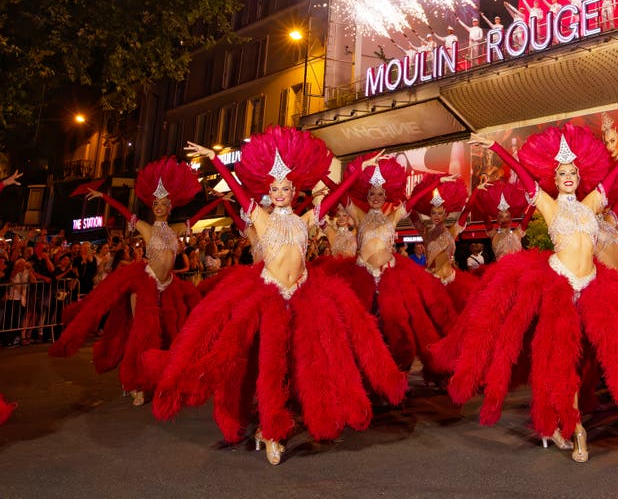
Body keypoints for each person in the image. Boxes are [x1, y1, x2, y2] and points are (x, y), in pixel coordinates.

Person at [430, 125, 618, 463]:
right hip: (559, 286)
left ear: (580, 176)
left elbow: (610, 179)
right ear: (554, 176)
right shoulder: (549, 205)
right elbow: (521, 173)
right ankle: (570, 428)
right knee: (561, 361)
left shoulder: (591, 204)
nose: (567, 177)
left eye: (572, 172)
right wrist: (495, 147)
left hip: (594, 284)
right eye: (561, 172)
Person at [148, 128, 406, 465]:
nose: (281, 193)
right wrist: (215, 160)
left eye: (286, 188)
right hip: (269, 297)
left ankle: (306, 412)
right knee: (270, 365)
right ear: (269, 191)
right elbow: (239, 191)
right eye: (275, 189)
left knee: (309, 359)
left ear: (294, 190)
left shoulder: (306, 222)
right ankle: (270, 431)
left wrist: (359, 170)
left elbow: (337, 193)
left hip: (303, 297)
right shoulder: (259, 216)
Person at [50, 159, 218, 404]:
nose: (159, 207)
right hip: (146, 285)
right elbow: (125, 212)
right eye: (155, 204)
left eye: (163, 204)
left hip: (169, 285)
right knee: (142, 333)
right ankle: (137, 383)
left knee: (171, 333)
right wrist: (103, 197)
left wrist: (218, 200)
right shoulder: (147, 229)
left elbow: (200, 214)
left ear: (170, 207)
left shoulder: (176, 230)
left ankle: (166, 378)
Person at [319, 155, 458, 372]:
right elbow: (340, 193)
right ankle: (361, 369)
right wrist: (320, 174)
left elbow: (412, 201)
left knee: (395, 326)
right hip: (362, 278)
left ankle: (397, 369)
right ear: (366, 195)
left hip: (389, 279)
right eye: (372, 193)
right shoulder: (358, 215)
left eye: (380, 194)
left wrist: (437, 183)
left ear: (386, 196)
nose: (375, 197)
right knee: (360, 326)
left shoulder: (393, 216)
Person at [409, 179, 478, 312]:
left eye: (440, 213)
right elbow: (412, 215)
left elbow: (467, 209)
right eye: (433, 213)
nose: (436, 216)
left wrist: (476, 190)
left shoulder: (453, 231)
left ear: (446, 214)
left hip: (452, 282)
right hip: (431, 282)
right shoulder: (426, 233)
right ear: (429, 214)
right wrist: (402, 197)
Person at [475, 182, 530, 261]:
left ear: (511, 219)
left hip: (519, 270)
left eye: (507, 217)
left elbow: (529, 214)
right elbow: (483, 213)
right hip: (500, 271)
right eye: (501, 217)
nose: (505, 219)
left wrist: (536, 195)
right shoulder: (493, 234)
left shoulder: (518, 232)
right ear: (497, 220)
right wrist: (477, 191)